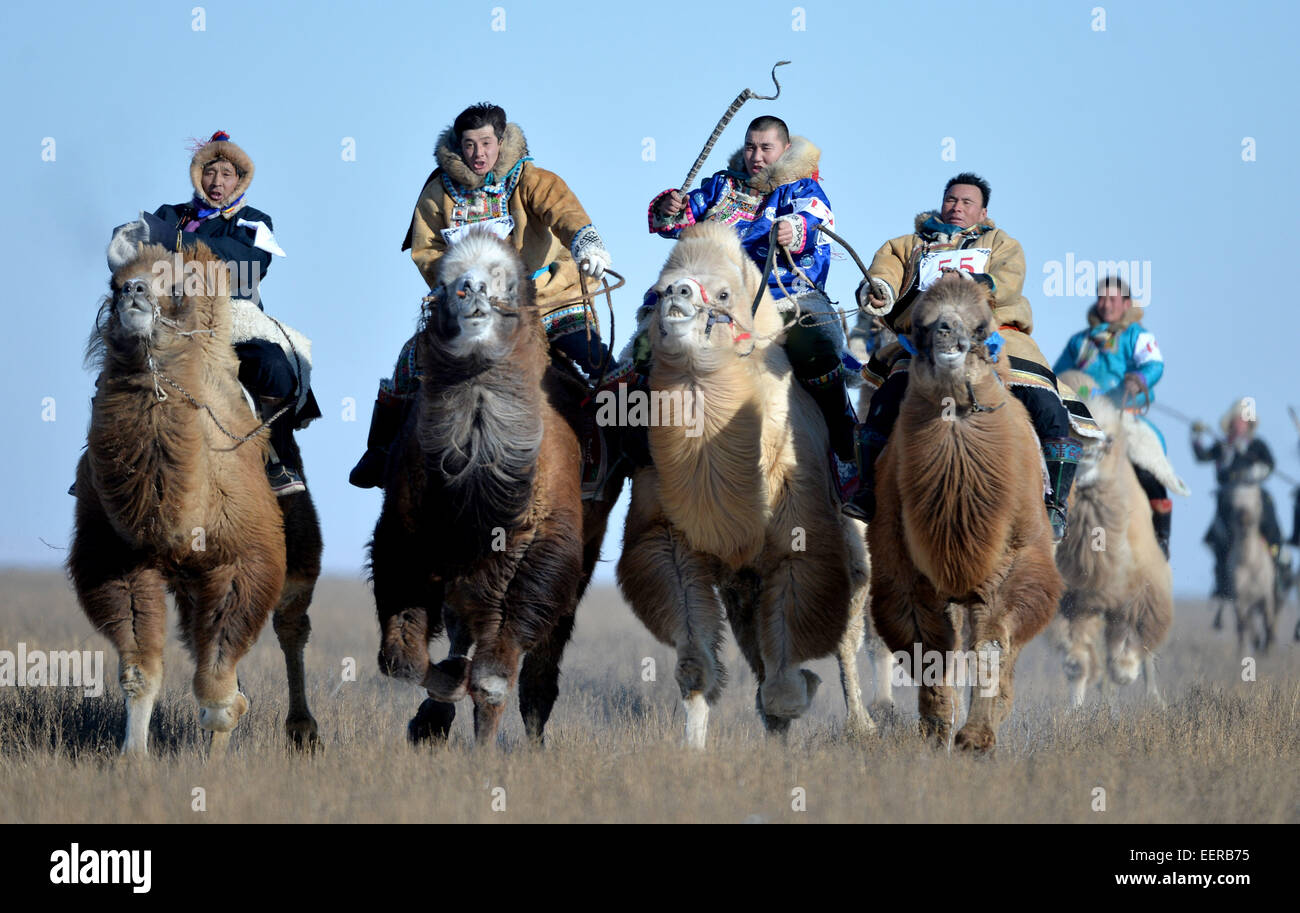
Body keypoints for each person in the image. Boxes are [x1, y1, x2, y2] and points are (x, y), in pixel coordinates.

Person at [349, 103, 616, 489]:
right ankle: (380, 450)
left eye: (486, 143)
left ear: (501, 141)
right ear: (459, 146)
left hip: (545, 297)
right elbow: (427, 250)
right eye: (470, 145)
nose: (478, 154)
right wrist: (453, 285)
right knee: (411, 359)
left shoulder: (530, 178)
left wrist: (586, 245)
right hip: (472, 304)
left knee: (591, 354)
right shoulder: (438, 190)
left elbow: (563, 211)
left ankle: (627, 437)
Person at [851, 172, 1096, 540]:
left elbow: (1009, 278)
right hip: (924, 339)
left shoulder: (1000, 243)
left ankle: (1054, 505)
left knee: (1047, 410)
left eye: (967, 202)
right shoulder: (907, 245)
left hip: (995, 336)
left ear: (983, 212)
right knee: (884, 404)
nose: (957, 207)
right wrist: (880, 290)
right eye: (951, 199)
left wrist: (978, 285)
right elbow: (883, 273)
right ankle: (868, 491)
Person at [648, 116, 863, 509]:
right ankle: (639, 453)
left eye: (766, 148)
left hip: (786, 291)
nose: (756, 156)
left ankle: (845, 447)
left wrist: (795, 230)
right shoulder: (723, 185)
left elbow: (815, 219)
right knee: (646, 351)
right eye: (750, 147)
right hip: (714, 297)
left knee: (813, 343)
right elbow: (682, 220)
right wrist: (670, 207)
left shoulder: (801, 188)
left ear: (783, 149)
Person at [102, 131, 318, 496]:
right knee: (119, 360)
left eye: (226, 174)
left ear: (240, 179)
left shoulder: (253, 221)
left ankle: (278, 461)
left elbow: (248, 264)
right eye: (209, 172)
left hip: (232, 318)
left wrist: (173, 242)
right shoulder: (171, 215)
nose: (216, 183)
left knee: (275, 366)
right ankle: (104, 458)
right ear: (196, 174)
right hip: (170, 316)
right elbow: (130, 250)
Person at [1054, 276, 1172, 557]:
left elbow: (1154, 365)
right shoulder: (1081, 341)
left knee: (1147, 468)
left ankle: (1161, 537)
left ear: (1126, 303)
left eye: (1112, 299)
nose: (1106, 304)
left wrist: (1137, 379)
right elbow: (1058, 375)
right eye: (1102, 298)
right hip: (1084, 418)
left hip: (1123, 416)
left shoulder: (1137, 336)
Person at [1192, 399, 1286, 602]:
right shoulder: (1223, 444)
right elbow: (1202, 456)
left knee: (1270, 522)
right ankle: (1222, 581)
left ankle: (1277, 569)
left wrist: (1250, 461)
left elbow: (1270, 464)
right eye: (1238, 419)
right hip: (1227, 499)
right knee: (1218, 535)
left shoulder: (1257, 445)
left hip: (1254, 494)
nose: (1240, 423)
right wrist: (1196, 437)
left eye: (1244, 420)